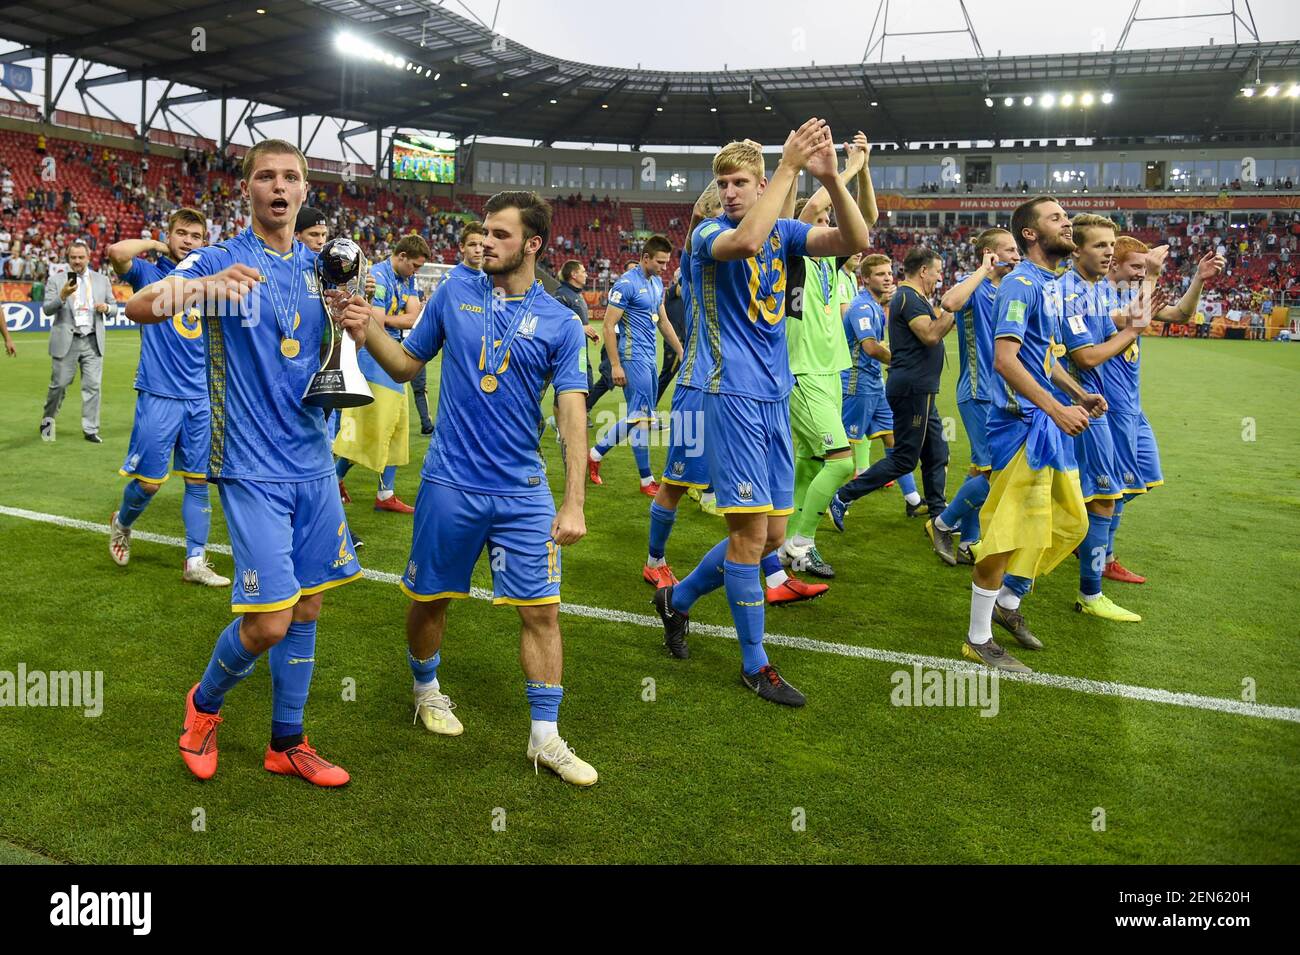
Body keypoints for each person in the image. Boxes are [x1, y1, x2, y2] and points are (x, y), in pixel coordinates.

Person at [126, 139, 364, 787]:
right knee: (268, 621)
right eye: (266, 176)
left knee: (308, 608)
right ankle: (203, 706)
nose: (279, 186)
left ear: (303, 188)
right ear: (249, 190)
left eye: (291, 176)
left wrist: (353, 327)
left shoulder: (322, 269)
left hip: (312, 460)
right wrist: (201, 287)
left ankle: (288, 741)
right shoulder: (222, 257)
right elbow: (138, 306)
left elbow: (333, 358)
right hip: (249, 463)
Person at [341, 191, 597, 786]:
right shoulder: (455, 291)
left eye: (501, 235)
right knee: (431, 598)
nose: (486, 242)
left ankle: (546, 737)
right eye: (483, 231)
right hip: (450, 483)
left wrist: (574, 500)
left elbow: (572, 413)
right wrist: (366, 327)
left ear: (533, 245)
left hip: (522, 490)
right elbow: (407, 365)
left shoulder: (560, 320)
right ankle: (426, 689)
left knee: (542, 611)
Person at [652, 119, 870, 701]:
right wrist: (790, 168)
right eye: (723, 182)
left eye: (740, 182)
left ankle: (676, 599)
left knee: (773, 536)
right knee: (749, 538)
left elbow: (856, 241)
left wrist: (833, 176)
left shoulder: (788, 233)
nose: (729, 192)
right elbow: (745, 242)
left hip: (774, 396)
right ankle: (755, 663)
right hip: (730, 398)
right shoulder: (706, 236)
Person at [963, 197, 1104, 672]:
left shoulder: (1050, 283)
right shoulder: (1022, 282)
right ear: (1030, 233)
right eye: (1057, 218)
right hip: (1021, 426)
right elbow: (1006, 361)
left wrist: (1076, 394)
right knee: (1005, 535)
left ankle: (1005, 601)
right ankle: (978, 637)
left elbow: (1041, 358)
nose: (1068, 224)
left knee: (1070, 523)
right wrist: (1058, 409)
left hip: (1044, 420)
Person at [105, 207, 230, 587]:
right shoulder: (151, 272)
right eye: (181, 233)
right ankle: (122, 522)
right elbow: (116, 253)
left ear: (204, 241)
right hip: (160, 392)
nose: (187, 241)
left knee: (197, 481)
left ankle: (195, 561)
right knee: (149, 483)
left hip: (201, 397)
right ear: (170, 235)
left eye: (195, 236)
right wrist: (155, 244)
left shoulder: (209, 281)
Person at [1059, 214, 1167, 622]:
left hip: (1094, 404)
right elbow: (1085, 356)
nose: (1107, 251)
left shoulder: (1099, 291)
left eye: (1110, 245)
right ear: (1077, 249)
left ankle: (1084, 583)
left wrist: (1151, 279)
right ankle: (1087, 592)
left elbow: (1129, 322)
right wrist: (1132, 331)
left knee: (1101, 495)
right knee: (1097, 496)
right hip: (1079, 406)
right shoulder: (1072, 294)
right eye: (1100, 245)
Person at [779, 132, 877, 580]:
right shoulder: (795, 252)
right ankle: (798, 543)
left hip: (829, 369)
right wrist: (846, 167)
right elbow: (812, 209)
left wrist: (864, 168)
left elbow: (866, 218)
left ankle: (795, 540)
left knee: (811, 462)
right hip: (801, 371)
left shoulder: (832, 264)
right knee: (841, 462)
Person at [1099, 238, 1223, 582]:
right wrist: (1152, 274)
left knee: (1147, 475)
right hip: (1112, 407)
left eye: (1143, 267)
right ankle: (1103, 557)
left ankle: (1089, 525)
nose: (1141, 273)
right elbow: (1134, 319)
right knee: (1118, 487)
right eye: (1134, 267)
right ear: (1114, 267)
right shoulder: (1097, 297)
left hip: (1133, 408)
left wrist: (1198, 278)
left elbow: (1181, 315)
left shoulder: (1130, 294)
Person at [828, 246, 954, 532]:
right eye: (880, 274)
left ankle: (935, 511)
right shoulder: (873, 304)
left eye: (889, 273)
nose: (888, 279)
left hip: (895, 385)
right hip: (862, 385)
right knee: (895, 456)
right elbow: (872, 347)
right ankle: (840, 495)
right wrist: (952, 310)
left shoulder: (887, 303)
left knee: (934, 450)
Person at [927, 228, 1020, 565]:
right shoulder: (976, 284)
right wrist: (982, 269)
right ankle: (942, 523)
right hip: (978, 390)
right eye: (1009, 249)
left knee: (981, 468)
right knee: (995, 471)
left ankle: (969, 541)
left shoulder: (1011, 288)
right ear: (990, 253)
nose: (1016, 254)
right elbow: (949, 303)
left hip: (1004, 393)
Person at [333, 233, 430, 515]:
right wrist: (396, 319)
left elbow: (414, 317)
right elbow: (374, 322)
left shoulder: (406, 279)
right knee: (372, 428)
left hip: (395, 352)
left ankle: (385, 493)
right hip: (375, 358)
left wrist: (393, 319)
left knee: (395, 427)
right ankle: (335, 479)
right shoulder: (378, 276)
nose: (416, 272)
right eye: (414, 265)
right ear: (400, 257)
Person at [588, 234, 683, 495]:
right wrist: (616, 366)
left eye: (666, 263)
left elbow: (663, 322)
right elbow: (608, 326)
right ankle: (645, 480)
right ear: (645, 258)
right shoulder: (626, 284)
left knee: (641, 417)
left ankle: (595, 455)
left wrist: (680, 350)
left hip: (650, 358)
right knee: (640, 417)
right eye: (660, 262)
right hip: (632, 358)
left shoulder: (656, 284)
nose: (664, 267)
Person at [40, 241, 116, 443]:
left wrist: (107, 309)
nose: (77, 261)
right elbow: (47, 309)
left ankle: (90, 429)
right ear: (68, 258)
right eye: (73, 257)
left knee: (93, 386)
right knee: (59, 386)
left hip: (93, 340)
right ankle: (47, 423)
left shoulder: (102, 280)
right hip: (67, 340)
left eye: (81, 257)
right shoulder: (56, 281)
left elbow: (115, 306)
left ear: (89, 257)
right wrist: (62, 296)